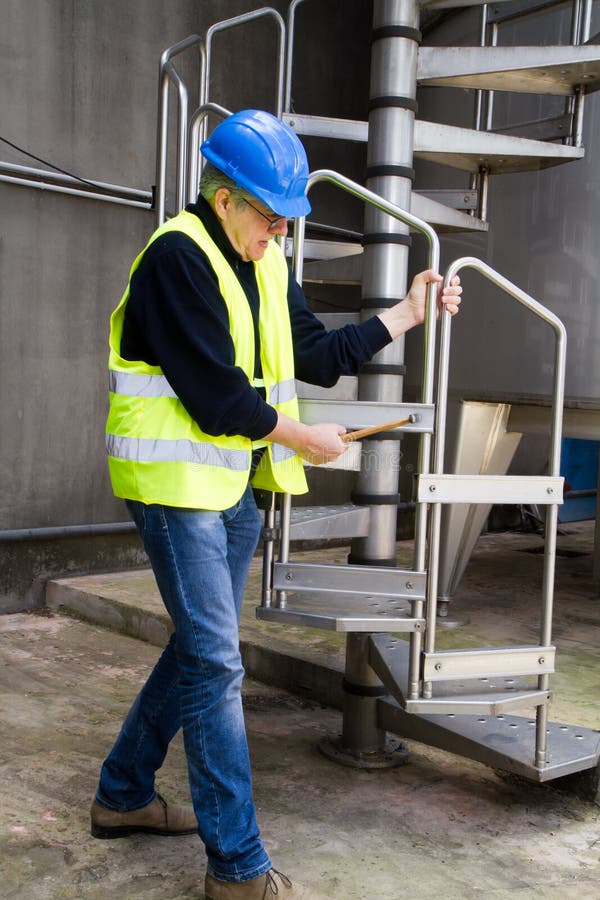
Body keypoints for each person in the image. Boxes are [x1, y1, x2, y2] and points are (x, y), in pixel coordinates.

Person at [91, 109, 461, 900]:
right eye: (272, 216)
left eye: (290, 220)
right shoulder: (177, 259)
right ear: (223, 198)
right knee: (217, 664)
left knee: (200, 650)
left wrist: (404, 316)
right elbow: (216, 395)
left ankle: (122, 794)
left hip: (231, 486)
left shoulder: (260, 262)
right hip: (174, 492)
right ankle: (238, 869)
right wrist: (304, 439)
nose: (282, 234)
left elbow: (317, 356)